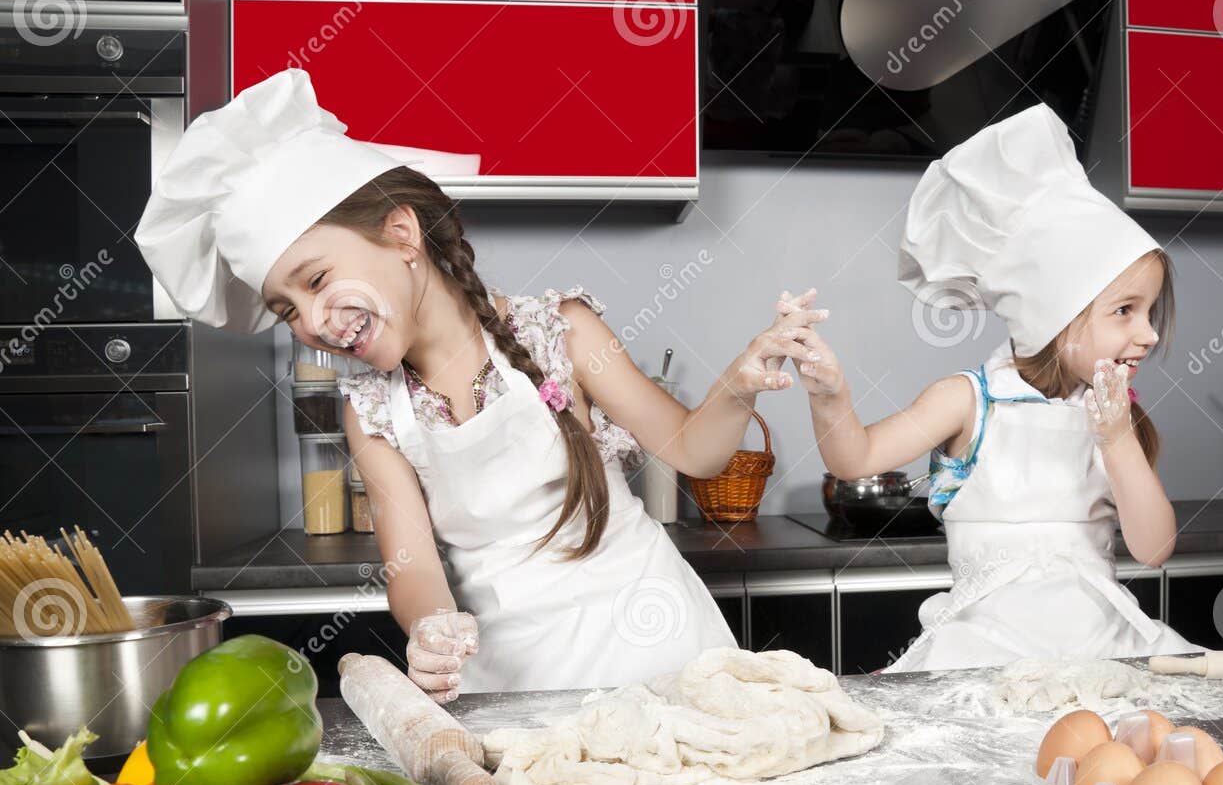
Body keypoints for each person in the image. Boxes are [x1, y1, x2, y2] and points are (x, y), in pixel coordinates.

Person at [137, 69, 824, 697]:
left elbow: (695, 451)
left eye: (316, 279)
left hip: (668, 658)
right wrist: (432, 629)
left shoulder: (565, 332)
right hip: (515, 693)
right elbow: (412, 567)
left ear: (402, 235)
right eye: (287, 309)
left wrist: (739, 384)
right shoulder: (374, 411)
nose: (313, 320)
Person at [787, 104, 1195, 671]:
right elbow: (854, 459)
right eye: (1125, 311)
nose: (1148, 334)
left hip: (1103, 652)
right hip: (981, 657)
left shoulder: (1115, 419)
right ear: (1050, 310)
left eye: (1150, 312)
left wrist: (1118, 439)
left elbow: (1153, 550)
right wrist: (828, 395)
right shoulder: (968, 400)